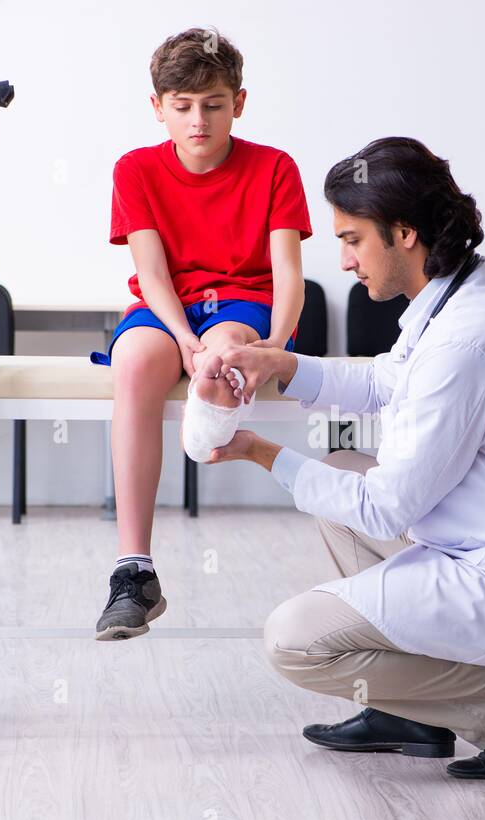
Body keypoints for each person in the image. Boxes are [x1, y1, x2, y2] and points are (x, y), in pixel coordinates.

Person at [205, 137, 485, 780]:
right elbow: (390, 380)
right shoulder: (472, 289)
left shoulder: (470, 340)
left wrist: (258, 453)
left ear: (404, 233)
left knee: (294, 640)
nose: (342, 261)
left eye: (352, 240)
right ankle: (412, 714)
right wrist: (284, 365)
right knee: (340, 471)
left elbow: (387, 505)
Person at [90, 27, 312, 641]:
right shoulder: (135, 169)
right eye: (182, 106)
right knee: (134, 360)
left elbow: (290, 276)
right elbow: (151, 273)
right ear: (158, 107)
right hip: (170, 309)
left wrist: (275, 344)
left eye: (213, 105)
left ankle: (212, 407)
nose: (198, 121)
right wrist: (183, 337)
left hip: (246, 303)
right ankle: (133, 571)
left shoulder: (274, 167)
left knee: (225, 346)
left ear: (238, 103)